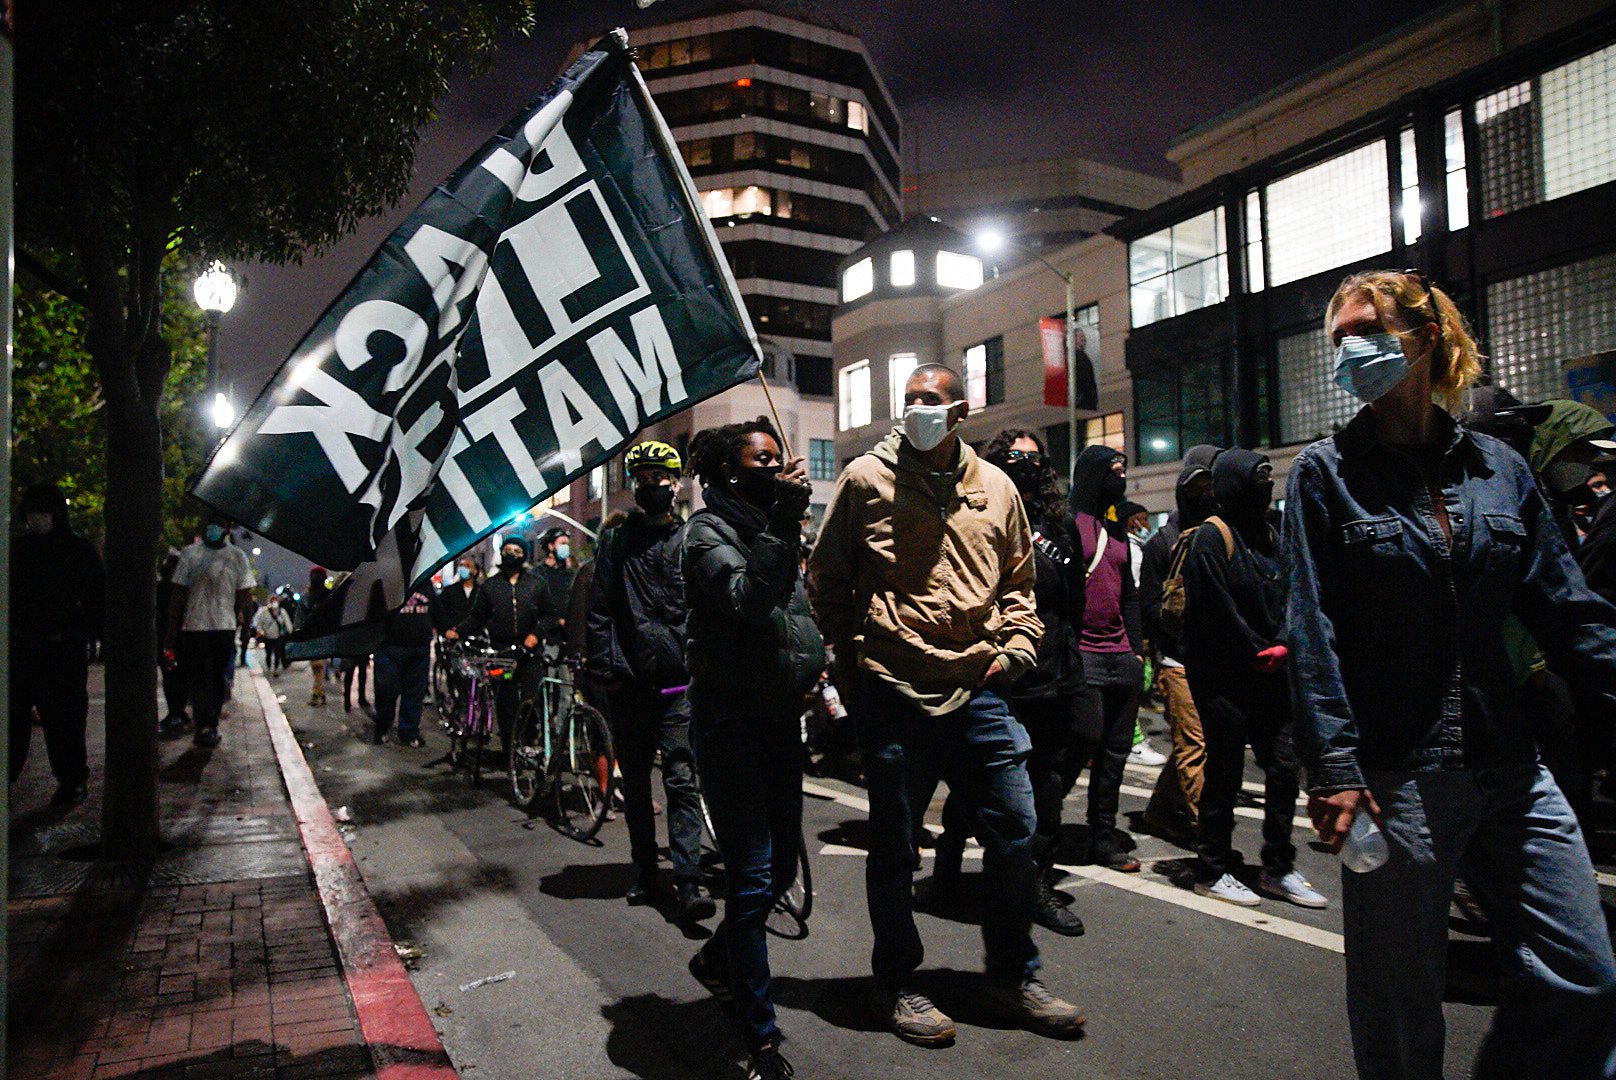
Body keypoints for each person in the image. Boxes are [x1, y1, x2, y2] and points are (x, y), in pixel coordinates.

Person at [1286, 269, 1616, 1079]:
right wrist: (1334, 769)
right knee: (1400, 1008)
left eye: (1366, 332)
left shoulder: (1501, 469)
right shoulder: (1325, 474)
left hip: (1512, 763)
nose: (1349, 351)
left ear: (1425, 338)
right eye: (1338, 340)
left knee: (1584, 975)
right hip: (1399, 778)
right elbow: (1311, 630)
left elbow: (1566, 608)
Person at [810, 364, 1084, 1047]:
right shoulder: (866, 479)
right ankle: (896, 982)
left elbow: (1020, 584)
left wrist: (1015, 652)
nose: (916, 409)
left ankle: (1012, 975)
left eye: (929, 400)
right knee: (896, 847)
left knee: (1016, 830)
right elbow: (827, 577)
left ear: (960, 410)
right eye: (909, 399)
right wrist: (854, 663)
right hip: (896, 691)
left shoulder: (996, 487)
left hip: (981, 689)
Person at [682, 418, 821, 1080]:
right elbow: (748, 599)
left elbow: (795, 616)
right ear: (727, 472)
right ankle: (759, 1035)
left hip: (779, 719)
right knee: (753, 877)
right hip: (730, 725)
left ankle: (717, 961)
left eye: (777, 457)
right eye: (760, 460)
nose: (775, 467)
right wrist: (786, 520)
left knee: (783, 871)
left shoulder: (775, 529)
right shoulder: (706, 534)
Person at [933, 430, 1089, 937]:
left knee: (1048, 783)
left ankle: (1035, 882)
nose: (1026, 464)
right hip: (1001, 676)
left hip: (1054, 675)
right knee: (979, 782)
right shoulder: (980, 514)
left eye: (1034, 457)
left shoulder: (1060, 527)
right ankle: (951, 865)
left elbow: (1074, 601)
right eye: (1016, 455)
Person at [1179, 449, 1324, 909]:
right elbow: (1214, 608)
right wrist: (1257, 648)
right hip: (1223, 678)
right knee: (1224, 774)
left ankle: (1277, 867)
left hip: (1271, 674)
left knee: (1283, 770)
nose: (1266, 486)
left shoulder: (1271, 534)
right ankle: (1212, 868)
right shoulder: (1211, 537)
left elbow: (1294, 594)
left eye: (1268, 477)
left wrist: (1282, 643)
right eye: (1257, 478)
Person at [587, 441, 713, 923]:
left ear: (675, 483)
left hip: (679, 684)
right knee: (637, 785)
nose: (650, 486)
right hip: (631, 685)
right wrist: (607, 668)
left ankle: (689, 879)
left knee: (681, 779)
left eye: (658, 478)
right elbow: (600, 610)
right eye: (641, 479)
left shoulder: (692, 539)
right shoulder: (616, 543)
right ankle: (645, 869)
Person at [1067, 445, 1146, 872]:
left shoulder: (1117, 532)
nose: (1122, 478)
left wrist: (1135, 650)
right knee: (1079, 743)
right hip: (1085, 655)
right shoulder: (1069, 525)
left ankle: (1102, 835)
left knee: (1115, 753)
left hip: (1120, 656)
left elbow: (1128, 594)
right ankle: (1043, 828)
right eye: (1115, 470)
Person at [1138, 446, 1221, 842]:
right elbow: (1149, 607)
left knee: (1202, 745)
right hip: (1177, 661)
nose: (1206, 493)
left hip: (1215, 660)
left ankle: (1158, 809)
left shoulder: (1221, 535)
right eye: (1199, 485)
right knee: (1193, 746)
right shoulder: (1163, 543)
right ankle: (1208, 837)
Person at [10, 483, 103, 803]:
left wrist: (75, 629)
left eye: (43, 512)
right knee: (13, 721)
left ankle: (71, 779)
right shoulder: (19, 551)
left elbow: (95, 600)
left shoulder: (77, 552)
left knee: (64, 720)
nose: (37, 518)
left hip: (61, 650)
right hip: (23, 648)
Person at [446, 536, 557, 745]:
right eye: (508, 550)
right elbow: (477, 617)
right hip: (502, 653)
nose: (512, 555)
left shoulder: (537, 583)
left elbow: (549, 614)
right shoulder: (490, 586)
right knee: (506, 702)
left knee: (531, 699)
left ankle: (530, 739)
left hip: (529, 652)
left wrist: (536, 634)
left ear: (524, 555)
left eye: (517, 551)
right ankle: (509, 745)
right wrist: (457, 632)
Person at [167, 514, 255, 748]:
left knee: (217, 679)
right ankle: (204, 725)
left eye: (219, 524)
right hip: (194, 627)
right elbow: (178, 595)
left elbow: (245, 595)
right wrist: (171, 631)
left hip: (224, 627)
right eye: (210, 524)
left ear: (227, 529)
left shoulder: (237, 557)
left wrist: (247, 628)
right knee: (199, 678)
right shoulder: (190, 554)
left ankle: (211, 723)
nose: (213, 528)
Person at [372, 587, 434, 749]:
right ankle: (383, 726)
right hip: (390, 646)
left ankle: (409, 732)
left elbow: (435, 609)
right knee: (387, 689)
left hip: (419, 647)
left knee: (415, 693)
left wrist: (447, 628)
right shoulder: (388, 582)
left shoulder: (424, 583)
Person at [156, 550, 190, 731]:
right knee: (179, 676)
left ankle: (175, 712)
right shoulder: (184, 589)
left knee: (171, 675)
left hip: (168, 638)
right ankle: (178, 711)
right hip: (180, 637)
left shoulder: (163, 588)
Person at [536, 527, 576, 647]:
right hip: (547, 637)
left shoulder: (570, 574)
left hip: (568, 635)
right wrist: (556, 620)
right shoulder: (538, 574)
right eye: (562, 543)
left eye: (567, 544)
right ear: (551, 546)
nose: (566, 547)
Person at [252, 597, 294, 674]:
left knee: (277, 653)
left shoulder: (282, 612)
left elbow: (287, 623)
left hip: (278, 636)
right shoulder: (264, 612)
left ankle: (276, 668)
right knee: (268, 653)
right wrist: (260, 631)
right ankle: (268, 666)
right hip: (267, 636)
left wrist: (291, 633)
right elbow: (259, 623)